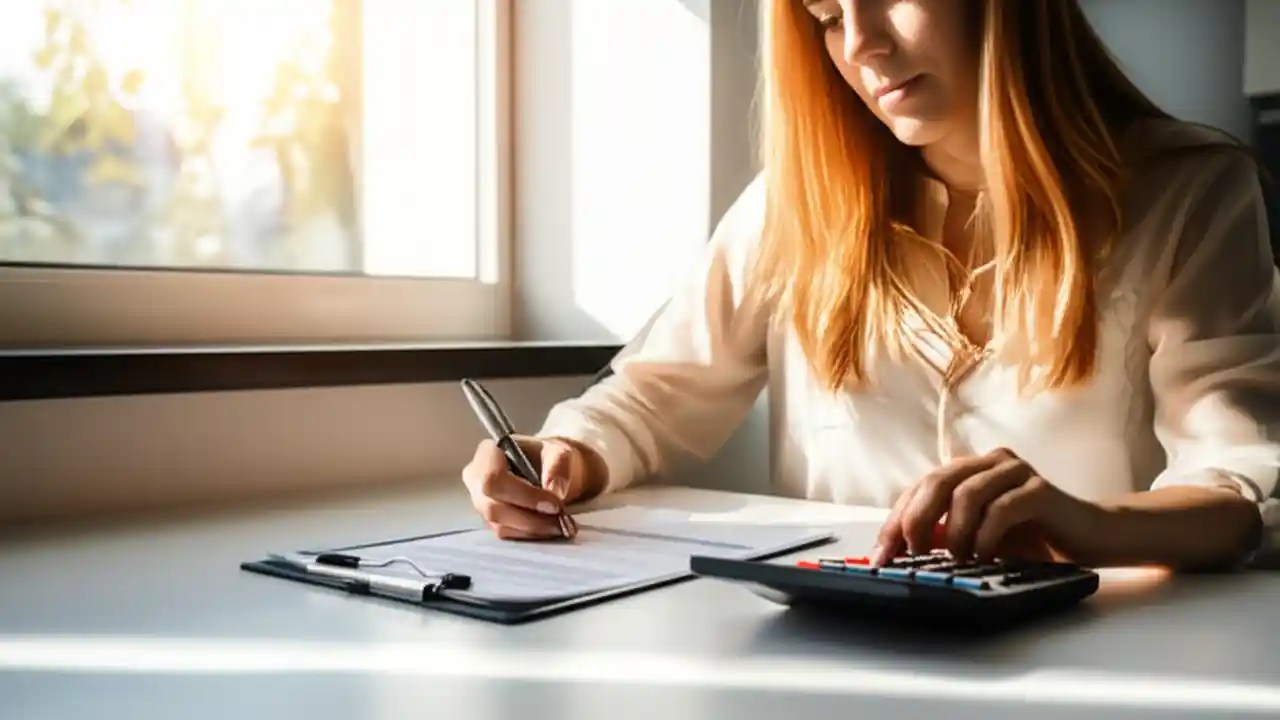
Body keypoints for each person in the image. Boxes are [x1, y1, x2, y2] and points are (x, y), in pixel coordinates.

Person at [461, 0, 1278, 570]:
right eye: (825, 15)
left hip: (1101, 659)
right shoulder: (795, 205)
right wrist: (564, 453)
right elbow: (654, 396)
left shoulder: (1189, 192)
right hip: (838, 657)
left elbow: (1245, 482)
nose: (860, 44)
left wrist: (1089, 526)